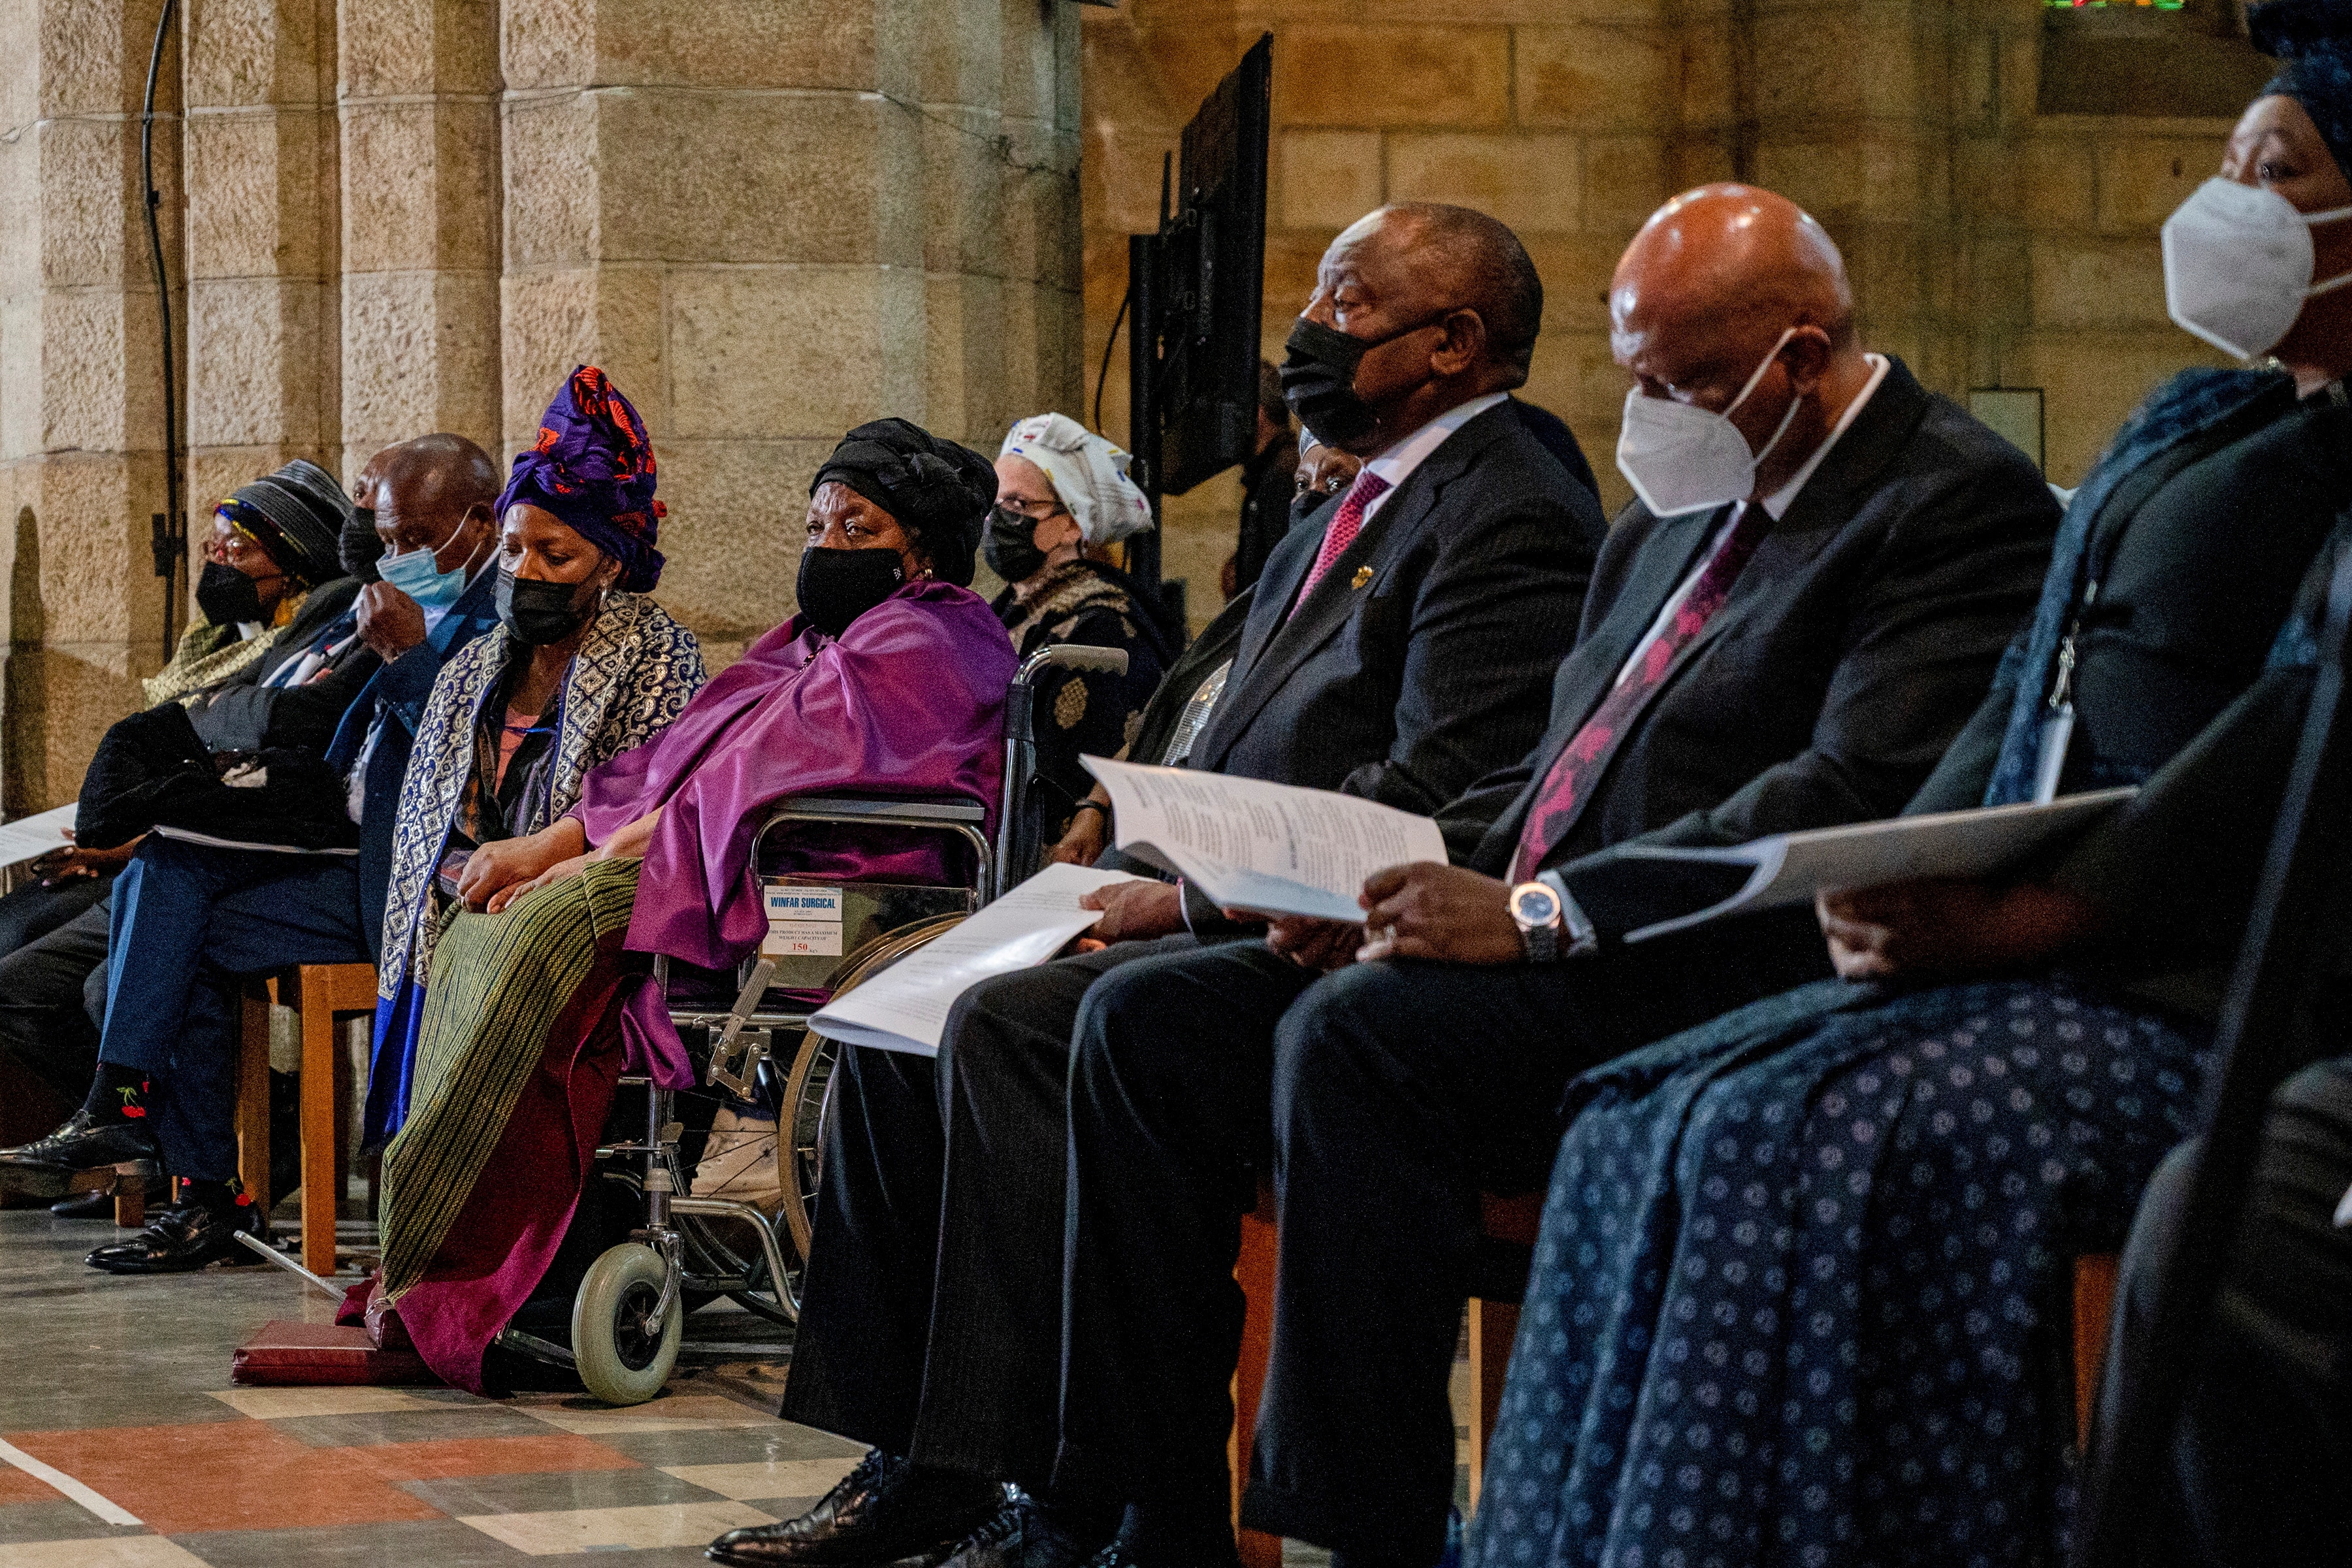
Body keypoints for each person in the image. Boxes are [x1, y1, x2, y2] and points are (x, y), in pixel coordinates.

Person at [1033, 183, 2065, 1568]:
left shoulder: (1950, 501)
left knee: (1362, 1037)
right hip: (1539, 934)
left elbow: (1844, 792)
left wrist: (1536, 914)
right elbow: (1549, 773)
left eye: (1677, 383)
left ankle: (1374, 1531)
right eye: (1634, 374)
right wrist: (1380, 884)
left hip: (1705, 954)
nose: (1645, 413)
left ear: (1802, 359)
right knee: (1146, 1023)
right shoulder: (1672, 514)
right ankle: (1148, 1519)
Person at [1474, 27, 2352, 1562]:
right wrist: (1901, 865)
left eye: (2272, 171)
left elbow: (2285, 739)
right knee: (1642, 1109)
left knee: (1798, 1136)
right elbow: (2030, 674)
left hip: (2184, 973)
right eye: (2222, 162)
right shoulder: (2202, 417)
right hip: (2026, 937)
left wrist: (2039, 911)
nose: (2226, 202)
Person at [721, 201, 1610, 1568]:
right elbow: (1223, 729)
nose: (1307, 331)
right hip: (1216, 887)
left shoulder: (1509, 505)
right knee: (896, 1025)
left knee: (1020, 1027)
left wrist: (1188, 898)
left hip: (1335, 928)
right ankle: (923, 1465)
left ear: (1453, 342)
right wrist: (1118, 855)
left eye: (1346, 303)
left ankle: (1078, 1497)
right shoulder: (1353, 505)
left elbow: (1443, 788)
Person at [367, 414, 1013, 1396]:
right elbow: (675, 763)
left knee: (547, 930)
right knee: (487, 913)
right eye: (817, 526)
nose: (827, 547)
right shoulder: (807, 640)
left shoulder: (932, 638)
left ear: (921, 550)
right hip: (718, 856)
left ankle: (490, 1271)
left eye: (858, 530)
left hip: (827, 878)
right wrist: (552, 842)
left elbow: (763, 777)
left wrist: (596, 861)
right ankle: (458, 1255)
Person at [0, 416, 629, 1266]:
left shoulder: (504, 613)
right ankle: (199, 1189)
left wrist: (407, 657)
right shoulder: (390, 601)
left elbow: (473, 772)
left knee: (169, 881)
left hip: (419, 880)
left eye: (414, 537)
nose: (394, 555)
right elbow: (318, 723)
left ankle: (141, 1123)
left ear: (480, 523)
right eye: (385, 536)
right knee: (170, 891)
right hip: (345, 842)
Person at [987, 413, 1177, 835]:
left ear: (1072, 523)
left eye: (1018, 504)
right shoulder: (1003, 609)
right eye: (993, 504)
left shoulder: (1102, 624)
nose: (999, 519)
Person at [1227, 361, 1299, 598]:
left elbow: (1283, 570)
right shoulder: (1269, 469)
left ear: (1257, 415)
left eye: (1232, 412)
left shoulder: (1280, 475)